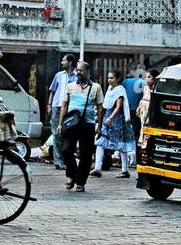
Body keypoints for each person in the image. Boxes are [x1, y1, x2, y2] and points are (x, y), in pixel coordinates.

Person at [57, 61, 104, 193]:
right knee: (66, 150)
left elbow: (100, 109)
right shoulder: (70, 86)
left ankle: (80, 182)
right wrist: (60, 124)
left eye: (81, 70)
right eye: (77, 70)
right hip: (71, 124)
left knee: (86, 154)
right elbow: (64, 106)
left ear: (88, 71)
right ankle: (71, 174)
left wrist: (99, 127)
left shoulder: (96, 87)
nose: (78, 72)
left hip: (87, 125)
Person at [93, 70, 136, 179]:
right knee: (100, 142)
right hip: (108, 118)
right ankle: (97, 168)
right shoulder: (109, 89)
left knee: (121, 145)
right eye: (108, 78)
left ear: (117, 79)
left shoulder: (120, 90)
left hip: (117, 120)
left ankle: (125, 170)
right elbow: (106, 104)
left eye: (112, 78)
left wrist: (110, 118)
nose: (109, 80)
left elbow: (118, 106)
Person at [46, 53, 78, 170]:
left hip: (71, 109)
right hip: (57, 107)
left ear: (70, 63)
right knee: (56, 134)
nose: (61, 63)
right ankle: (58, 161)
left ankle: (67, 160)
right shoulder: (59, 75)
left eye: (64, 61)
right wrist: (49, 105)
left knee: (68, 135)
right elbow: (52, 91)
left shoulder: (77, 77)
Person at [121, 64, 146, 148]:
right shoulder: (144, 83)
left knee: (126, 130)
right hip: (138, 111)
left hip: (126, 110)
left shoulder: (125, 82)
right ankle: (134, 148)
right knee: (136, 131)